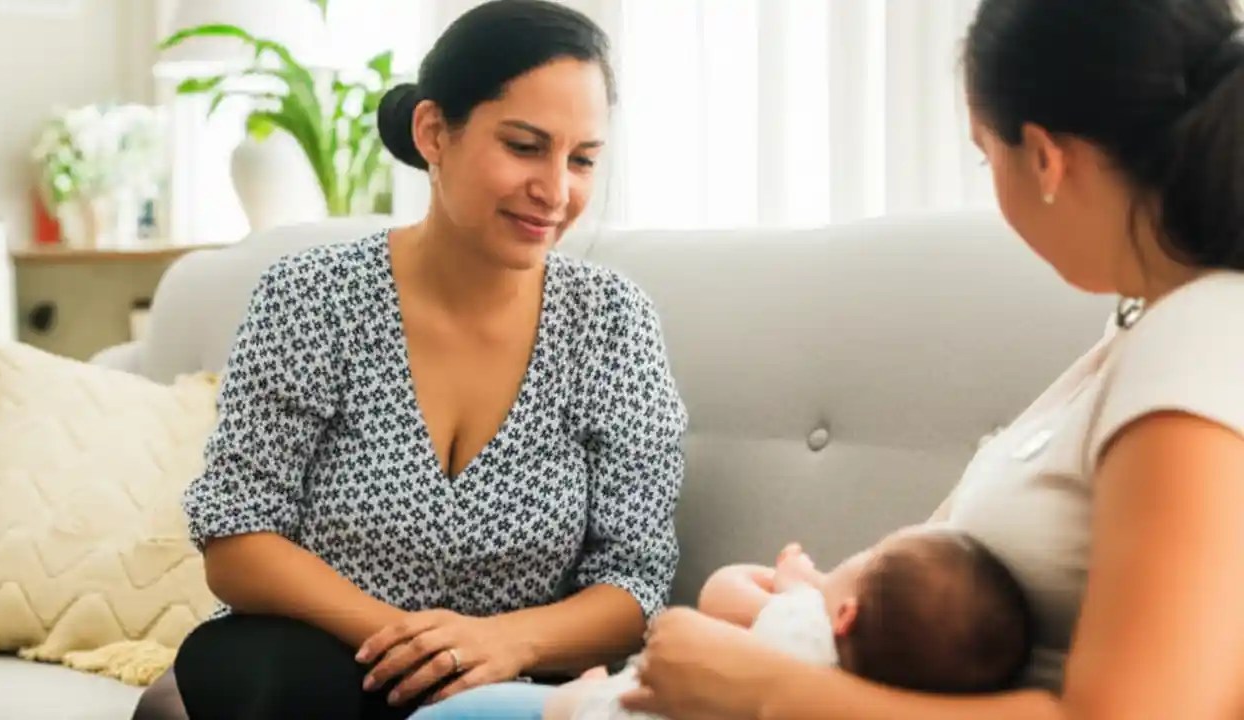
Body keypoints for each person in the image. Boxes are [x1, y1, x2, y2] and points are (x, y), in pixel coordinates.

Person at [613, 1, 1244, 718]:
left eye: (985, 154)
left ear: (1043, 157)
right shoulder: (1143, 330)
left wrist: (758, 685)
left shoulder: (1201, 341)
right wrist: (812, 605)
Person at [130, 2, 688, 719]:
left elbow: (634, 586)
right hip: (317, 668)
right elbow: (238, 538)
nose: (556, 191)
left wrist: (504, 644)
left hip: (518, 687)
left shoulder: (613, 324)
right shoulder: (311, 295)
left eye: (581, 159)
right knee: (226, 686)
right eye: (524, 146)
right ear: (433, 132)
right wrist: (415, 644)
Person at [545, 527, 1033, 720]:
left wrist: (798, 575)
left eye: (866, 553)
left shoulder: (808, 619)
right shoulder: (863, 696)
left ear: (846, 616)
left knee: (596, 700)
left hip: (629, 710)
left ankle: (590, 680)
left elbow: (724, 589)